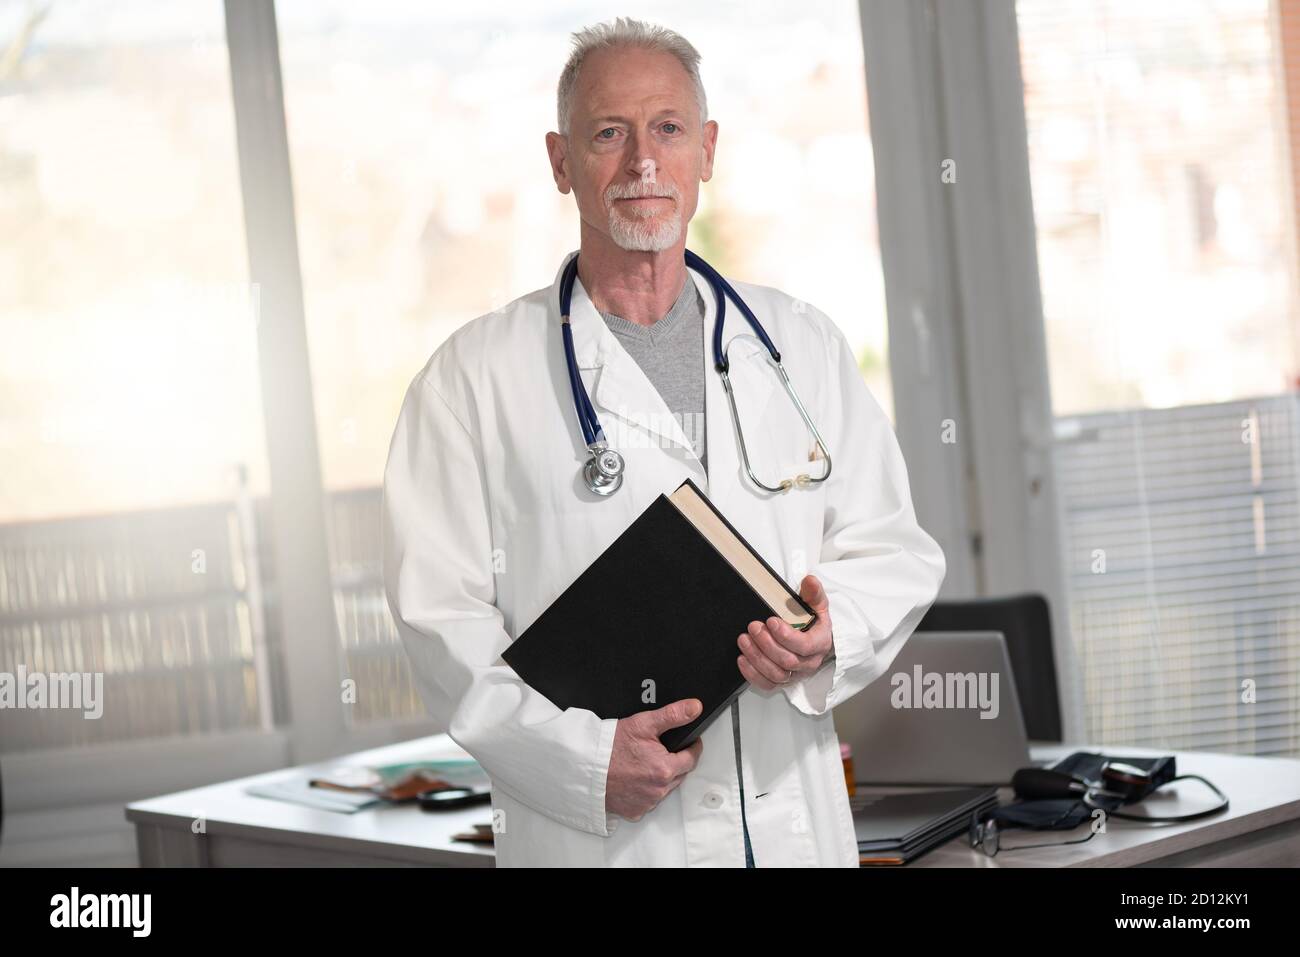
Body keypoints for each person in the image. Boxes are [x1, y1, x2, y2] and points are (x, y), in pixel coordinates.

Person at [381, 17, 946, 867]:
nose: (644, 160)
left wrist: (833, 631)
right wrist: (583, 760)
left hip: (792, 828)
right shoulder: (470, 381)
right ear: (561, 160)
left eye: (669, 129)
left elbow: (894, 547)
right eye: (609, 133)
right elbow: (441, 625)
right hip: (612, 842)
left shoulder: (801, 345)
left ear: (707, 150)